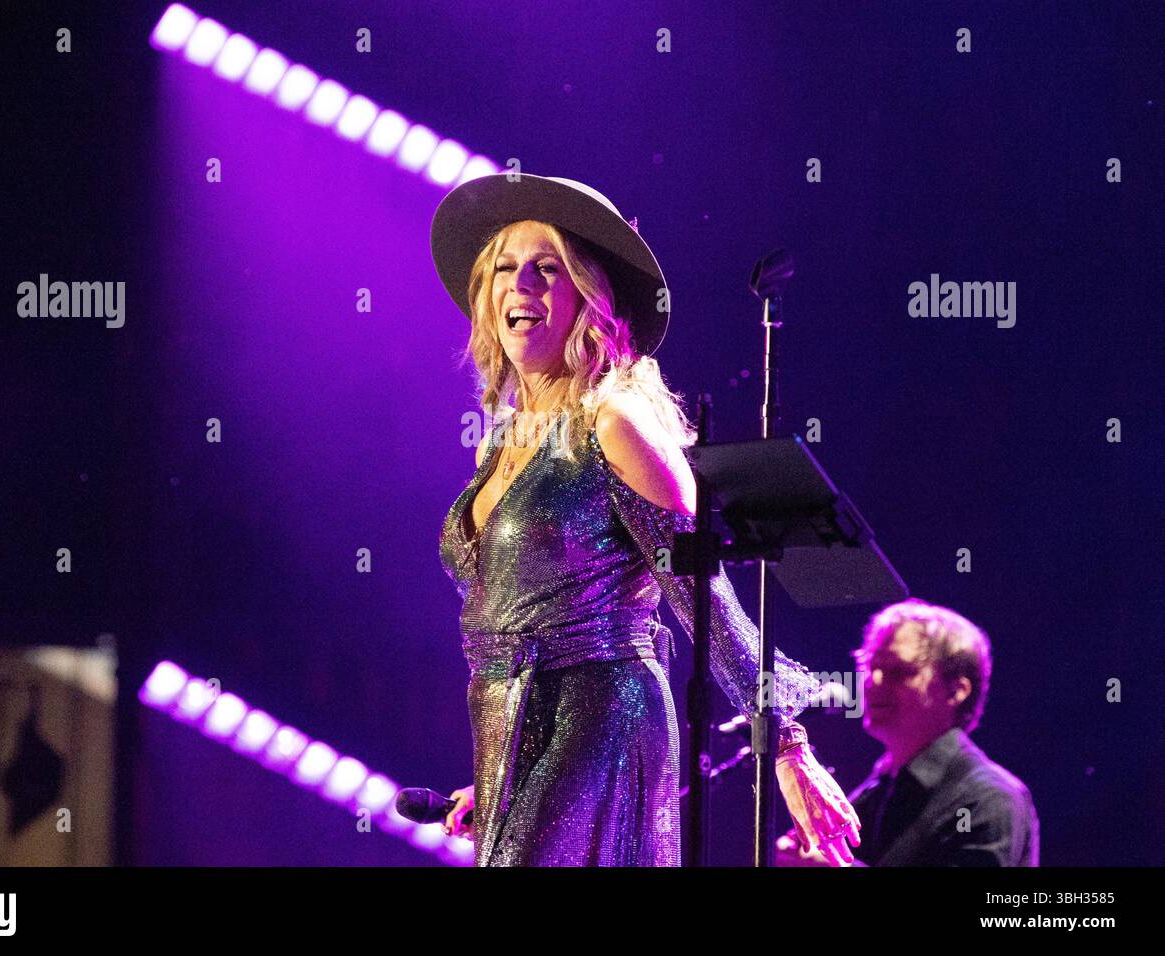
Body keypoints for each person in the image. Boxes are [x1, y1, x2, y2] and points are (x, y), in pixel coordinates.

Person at [430, 172, 859, 865]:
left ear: (588, 298)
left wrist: (783, 744)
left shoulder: (616, 422)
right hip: (509, 727)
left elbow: (700, 593)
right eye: (505, 270)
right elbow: (508, 612)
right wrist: (503, 781)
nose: (521, 287)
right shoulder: (497, 441)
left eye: (548, 270)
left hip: (602, 713)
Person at [776, 598, 1039, 866]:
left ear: (956, 690)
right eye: (869, 666)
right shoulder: (881, 789)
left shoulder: (990, 797)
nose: (873, 682)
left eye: (898, 671)